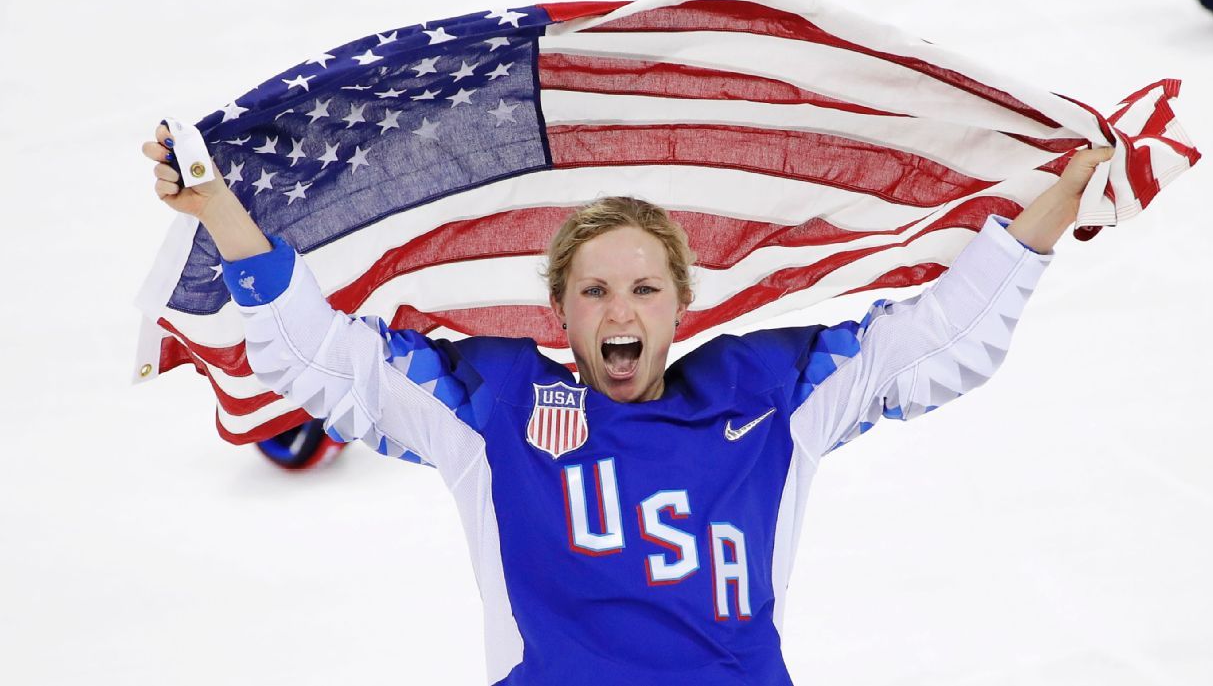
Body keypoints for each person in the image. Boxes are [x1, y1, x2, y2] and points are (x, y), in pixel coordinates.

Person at [142, 123, 1113, 685]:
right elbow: (325, 364)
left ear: (680, 307)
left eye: (644, 290)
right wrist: (220, 211)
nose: (620, 309)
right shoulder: (495, 406)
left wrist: (1059, 201)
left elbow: (936, 342)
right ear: (558, 310)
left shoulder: (769, 400)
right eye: (595, 291)